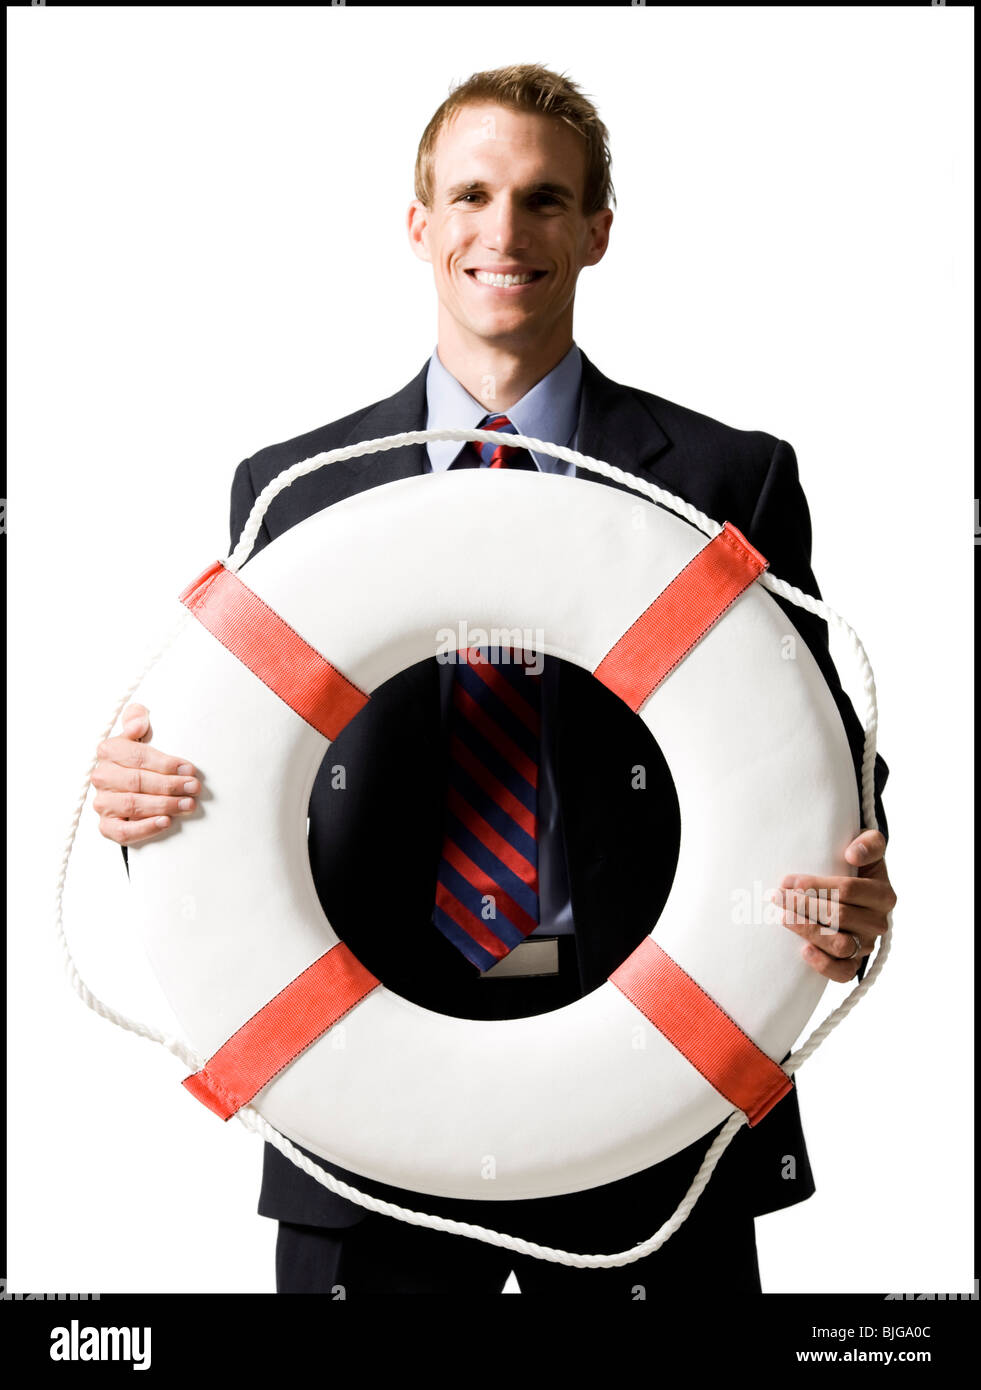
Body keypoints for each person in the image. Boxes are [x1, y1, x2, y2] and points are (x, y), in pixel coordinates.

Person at [91, 64, 896, 1296]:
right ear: (420, 225)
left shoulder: (732, 480)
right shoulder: (293, 490)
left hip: (651, 1085)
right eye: (471, 194)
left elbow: (819, 758)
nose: (503, 232)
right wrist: (142, 798)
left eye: (543, 199)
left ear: (596, 230)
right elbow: (226, 769)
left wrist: (854, 871)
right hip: (363, 1079)